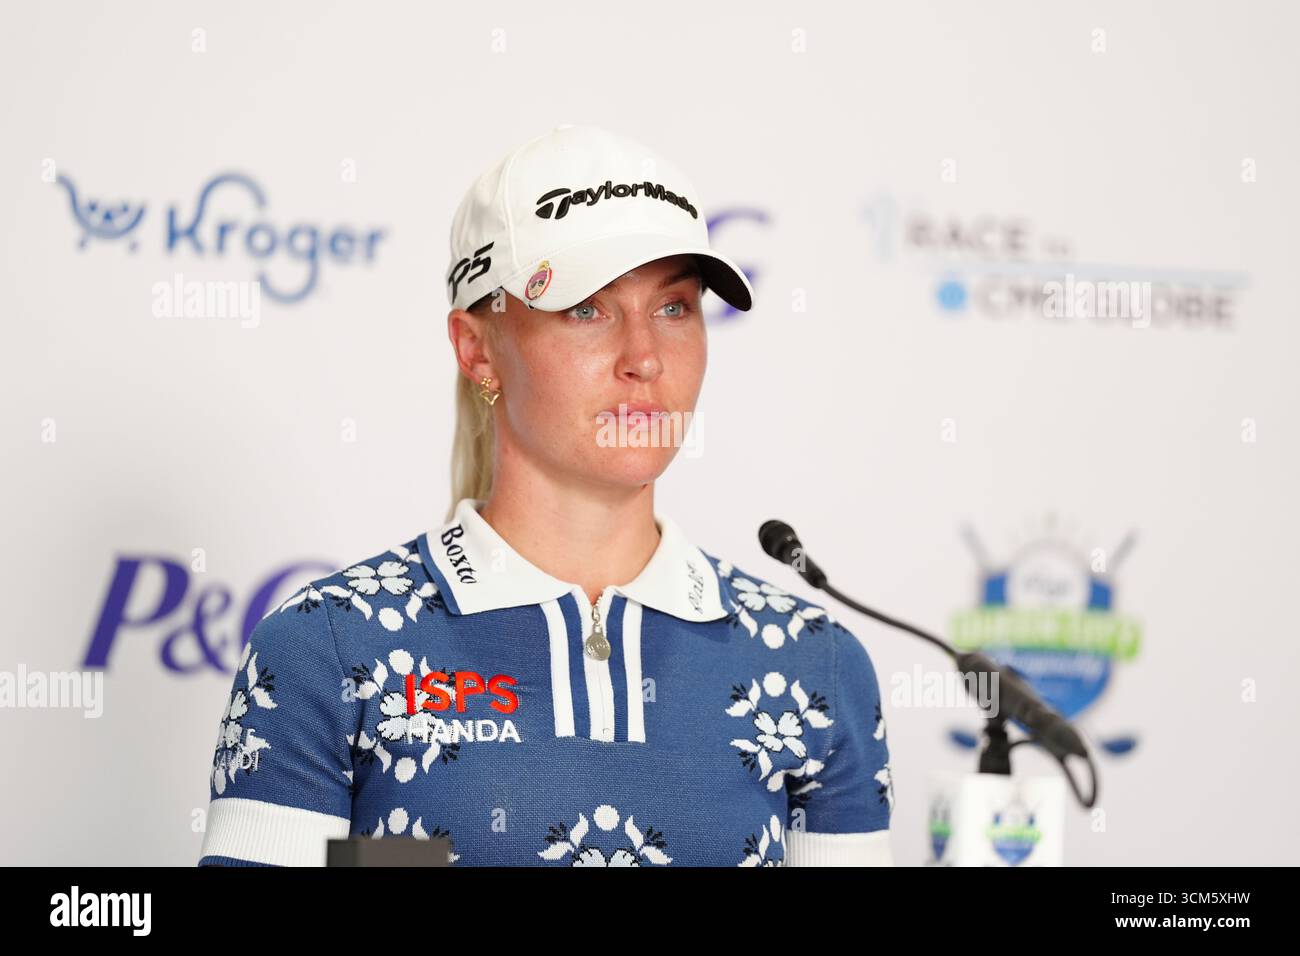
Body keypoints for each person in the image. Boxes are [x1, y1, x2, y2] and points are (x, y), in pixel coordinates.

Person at [198, 124, 894, 867]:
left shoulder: (818, 665)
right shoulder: (327, 648)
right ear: (477, 349)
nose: (644, 358)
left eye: (674, 307)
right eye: (588, 309)